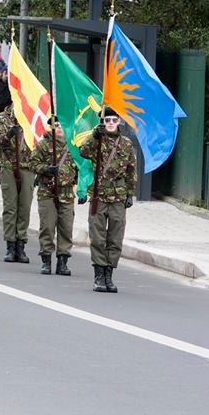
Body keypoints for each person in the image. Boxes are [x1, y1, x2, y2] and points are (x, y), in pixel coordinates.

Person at [79, 107, 137, 293]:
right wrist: (94, 136)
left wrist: (129, 193)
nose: (110, 123)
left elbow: (131, 170)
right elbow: (83, 152)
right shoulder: (97, 139)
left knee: (116, 236)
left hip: (118, 196)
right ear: (102, 122)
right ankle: (98, 275)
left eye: (113, 120)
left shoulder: (126, 143)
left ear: (119, 121)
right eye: (107, 120)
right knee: (97, 236)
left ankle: (109, 275)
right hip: (99, 195)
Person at [30, 117, 78, 275]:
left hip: (66, 193)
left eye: (62, 125)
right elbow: (32, 163)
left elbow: (81, 168)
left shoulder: (73, 146)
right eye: (56, 125)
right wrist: (46, 169)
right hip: (48, 192)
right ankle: (46, 259)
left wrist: (80, 187)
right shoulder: (44, 144)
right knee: (47, 227)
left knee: (66, 228)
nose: (59, 128)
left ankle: (63, 261)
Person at [0, 104, 35, 264]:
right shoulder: (2, 118)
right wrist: (9, 134)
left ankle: (21, 244)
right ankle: (10, 245)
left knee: (25, 207)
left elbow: (43, 138)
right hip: (8, 164)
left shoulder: (34, 115)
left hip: (28, 166)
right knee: (10, 207)